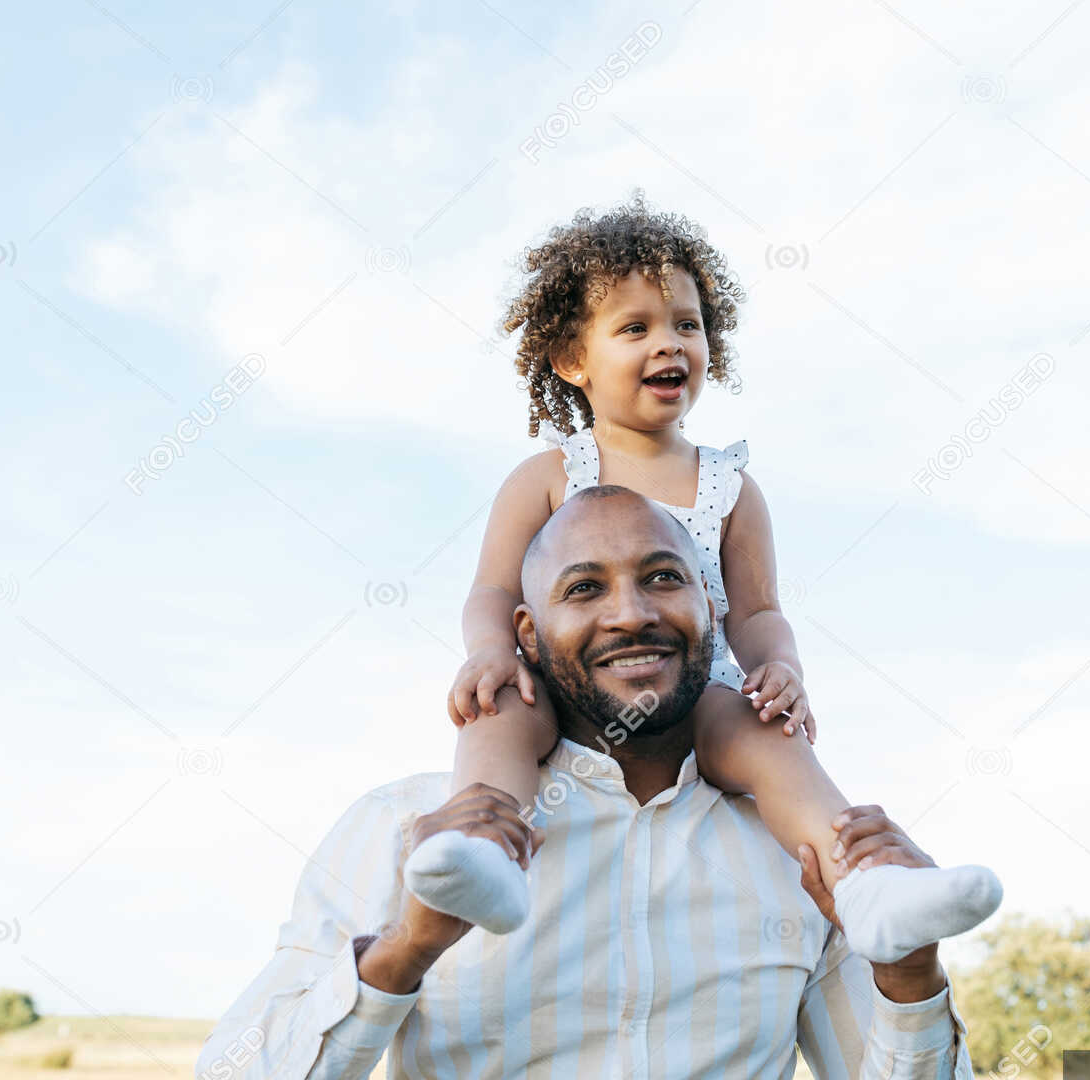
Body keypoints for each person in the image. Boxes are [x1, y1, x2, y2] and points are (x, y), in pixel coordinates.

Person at [198, 487, 984, 1080]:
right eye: (584, 589)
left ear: (711, 607)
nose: (631, 613)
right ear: (526, 634)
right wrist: (405, 948)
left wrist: (910, 974)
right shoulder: (405, 832)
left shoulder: (802, 850)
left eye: (663, 578)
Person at [402, 192, 1001, 964]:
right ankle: (485, 849)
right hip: (569, 683)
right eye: (636, 328)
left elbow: (755, 611)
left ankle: (867, 884)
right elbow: (493, 591)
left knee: (765, 734)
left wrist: (780, 669)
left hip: (699, 687)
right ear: (571, 360)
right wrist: (488, 650)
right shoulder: (549, 475)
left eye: (687, 324)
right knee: (500, 713)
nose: (670, 343)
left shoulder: (729, 486)